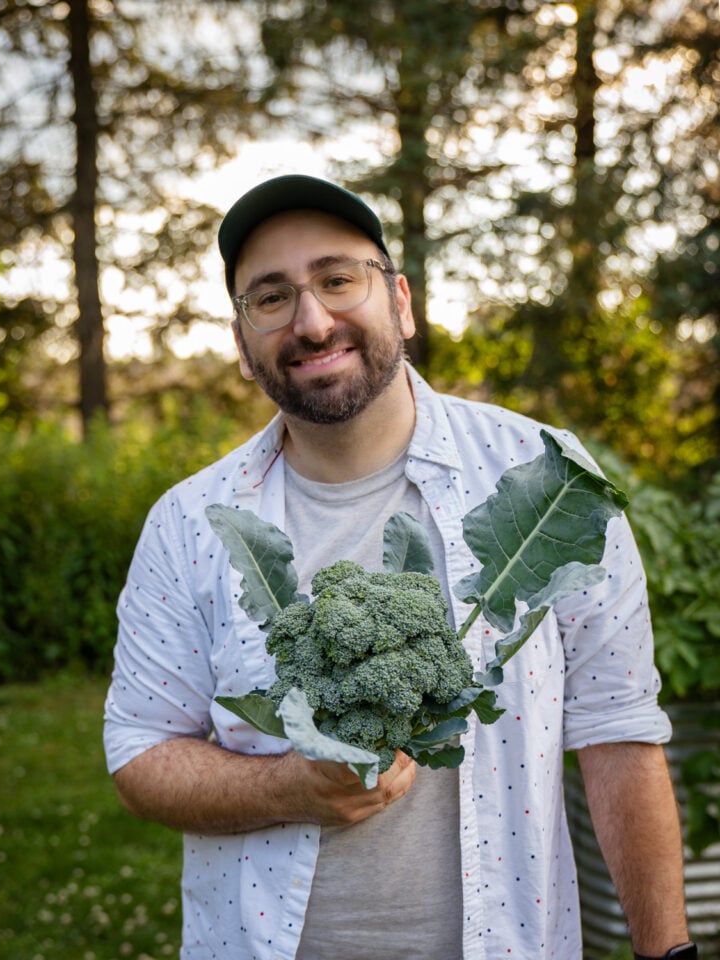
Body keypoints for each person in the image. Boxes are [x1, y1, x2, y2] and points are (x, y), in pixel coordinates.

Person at [103, 174, 696, 960]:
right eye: (271, 298)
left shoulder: (548, 478)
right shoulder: (190, 523)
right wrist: (291, 788)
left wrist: (669, 953)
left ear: (403, 302)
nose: (313, 322)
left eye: (338, 279)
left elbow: (618, 730)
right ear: (243, 344)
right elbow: (139, 749)